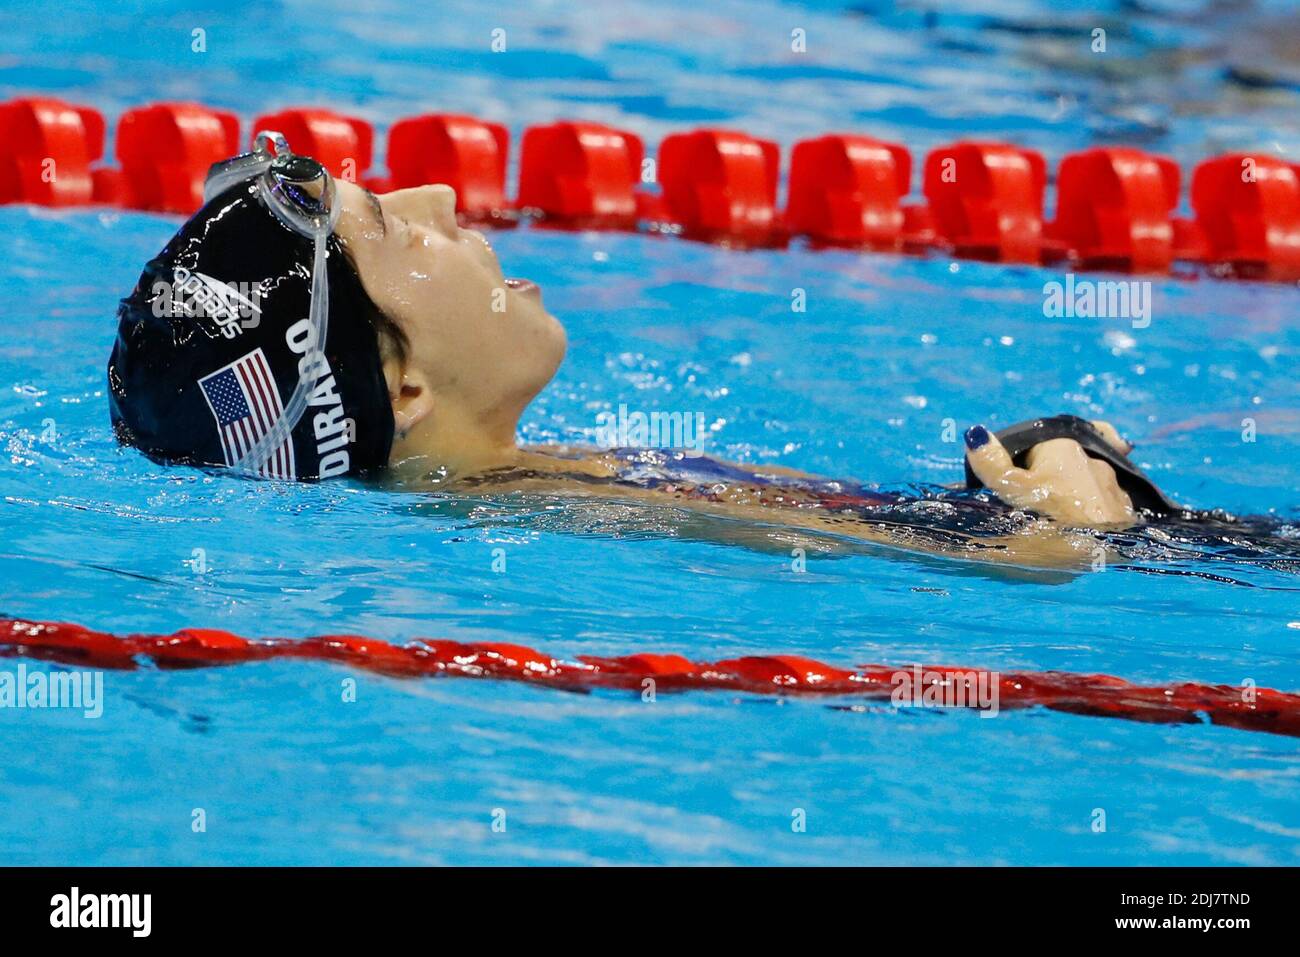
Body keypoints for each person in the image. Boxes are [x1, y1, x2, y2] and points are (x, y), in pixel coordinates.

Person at [107, 136, 1208, 570]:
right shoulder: (554, 504)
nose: (442, 194)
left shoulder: (524, 490)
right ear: (398, 385)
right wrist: (1074, 496)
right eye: (399, 229)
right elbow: (1037, 563)